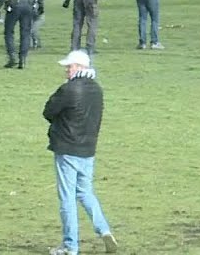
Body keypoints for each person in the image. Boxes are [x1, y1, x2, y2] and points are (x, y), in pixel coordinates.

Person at [43, 50, 118, 255]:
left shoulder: (69, 89)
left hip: (67, 149)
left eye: (70, 66)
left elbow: (48, 111)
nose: (66, 70)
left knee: (67, 198)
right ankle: (104, 229)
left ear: (80, 67)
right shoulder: (97, 90)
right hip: (88, 149)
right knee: (85, 192)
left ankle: (70, 246)